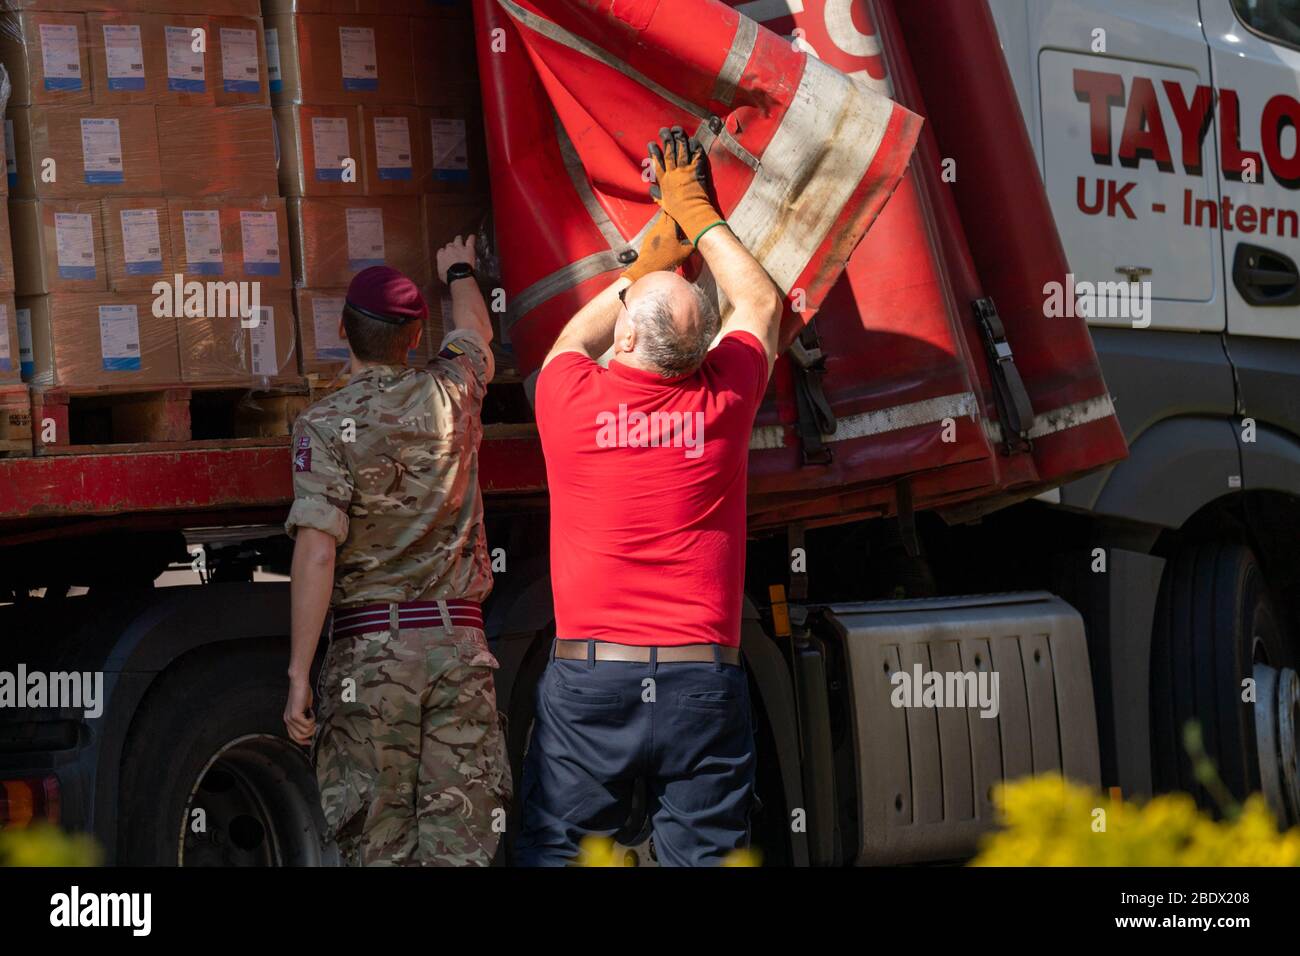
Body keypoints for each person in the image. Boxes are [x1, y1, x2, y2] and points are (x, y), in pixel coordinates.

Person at [515, 127, 784, 866]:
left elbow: (574, 334)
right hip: (703, 679)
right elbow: (759, 299)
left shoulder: (568, 397)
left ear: (627, 341)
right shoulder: (725, 402)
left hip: (593, 681)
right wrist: (697, 213)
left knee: (559, 854)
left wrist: (649, 255)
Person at [281, 244, 511, 866]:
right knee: (460, 841)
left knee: (377, 843)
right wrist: (459, 270)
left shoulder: (325, 426)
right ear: (415, 338)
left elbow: (317, 553)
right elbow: (474, 329)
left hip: (370, 658)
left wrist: (300, 672)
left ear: (340, 332)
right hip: (460, 650)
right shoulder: (455, 390)